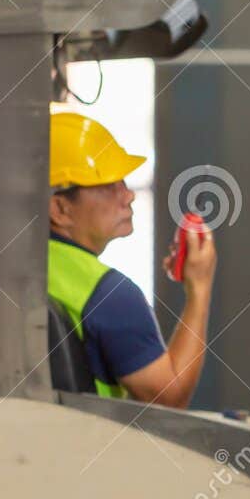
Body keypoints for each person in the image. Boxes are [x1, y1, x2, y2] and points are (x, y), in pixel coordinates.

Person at [47, 111, 215, 406]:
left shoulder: (14, 268)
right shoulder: (109, 295)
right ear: (60, 209)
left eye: (123, 182)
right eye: (108, 186)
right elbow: (169, 397)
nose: (128, 196)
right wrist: (199, 288)